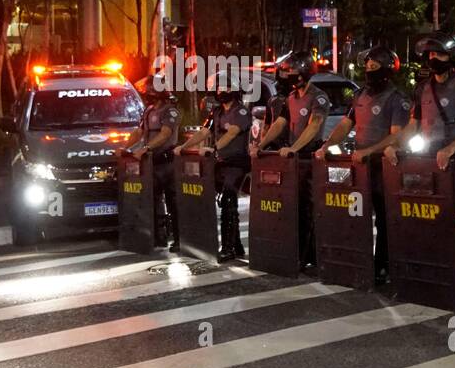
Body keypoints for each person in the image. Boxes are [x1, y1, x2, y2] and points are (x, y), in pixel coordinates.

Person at [388, 31, 455, 304]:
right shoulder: (422, 88)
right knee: (427, 220)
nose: (434, 59)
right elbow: (414, 124)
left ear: (453, 57)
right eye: (430, 54)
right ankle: (432, 283)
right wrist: (398, 145)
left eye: (439, 54)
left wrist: (452, 148)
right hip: (428, 163)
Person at [316, 46, 410, 283]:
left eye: (374, 67)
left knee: (384, 218)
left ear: (387, 70)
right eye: (367, 67)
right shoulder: (359, 96)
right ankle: (357, 261)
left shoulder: (397, 99)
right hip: (359, 168)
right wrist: (327, 145)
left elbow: (397, 136)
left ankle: (383, 266)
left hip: (382, 167)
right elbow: (345, 125)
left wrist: (369, 151)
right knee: (354, 215)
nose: (369, 71)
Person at [262, 53, 331, 268]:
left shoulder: (318, 97)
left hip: (308, 157)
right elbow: (279, 123)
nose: (288, 76)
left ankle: (310, 255)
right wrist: (261, 144)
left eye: (292, 73)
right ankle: (297, 252)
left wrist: (295, 148)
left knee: (309, 208)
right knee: (294, 207)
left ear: (304, 73)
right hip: (292, 160)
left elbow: (314, 125)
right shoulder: (290, 98)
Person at [176, 71, 251, 261]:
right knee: (204, 196)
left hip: (236, 163)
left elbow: (233, 132)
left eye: (224, 87)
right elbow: (203, 132)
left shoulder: (241, 112)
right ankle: (236, 245)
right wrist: (184, 147)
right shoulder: (216, 112)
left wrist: (214, 147)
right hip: (219, 163)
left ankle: (228, 248)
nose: (220, 91)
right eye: (217, 88)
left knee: (228, 199)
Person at [130, 70, 181, 250]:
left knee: (173, 201)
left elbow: (166, 134)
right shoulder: (149, 110)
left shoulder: (170, 111)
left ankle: (179, 239)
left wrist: (146, 148)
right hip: (152, 163)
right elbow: (139, 132)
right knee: (153, 200)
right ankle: (159, 237)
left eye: (150, 89)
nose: (147, 93)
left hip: (168, 163)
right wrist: (124, 147)